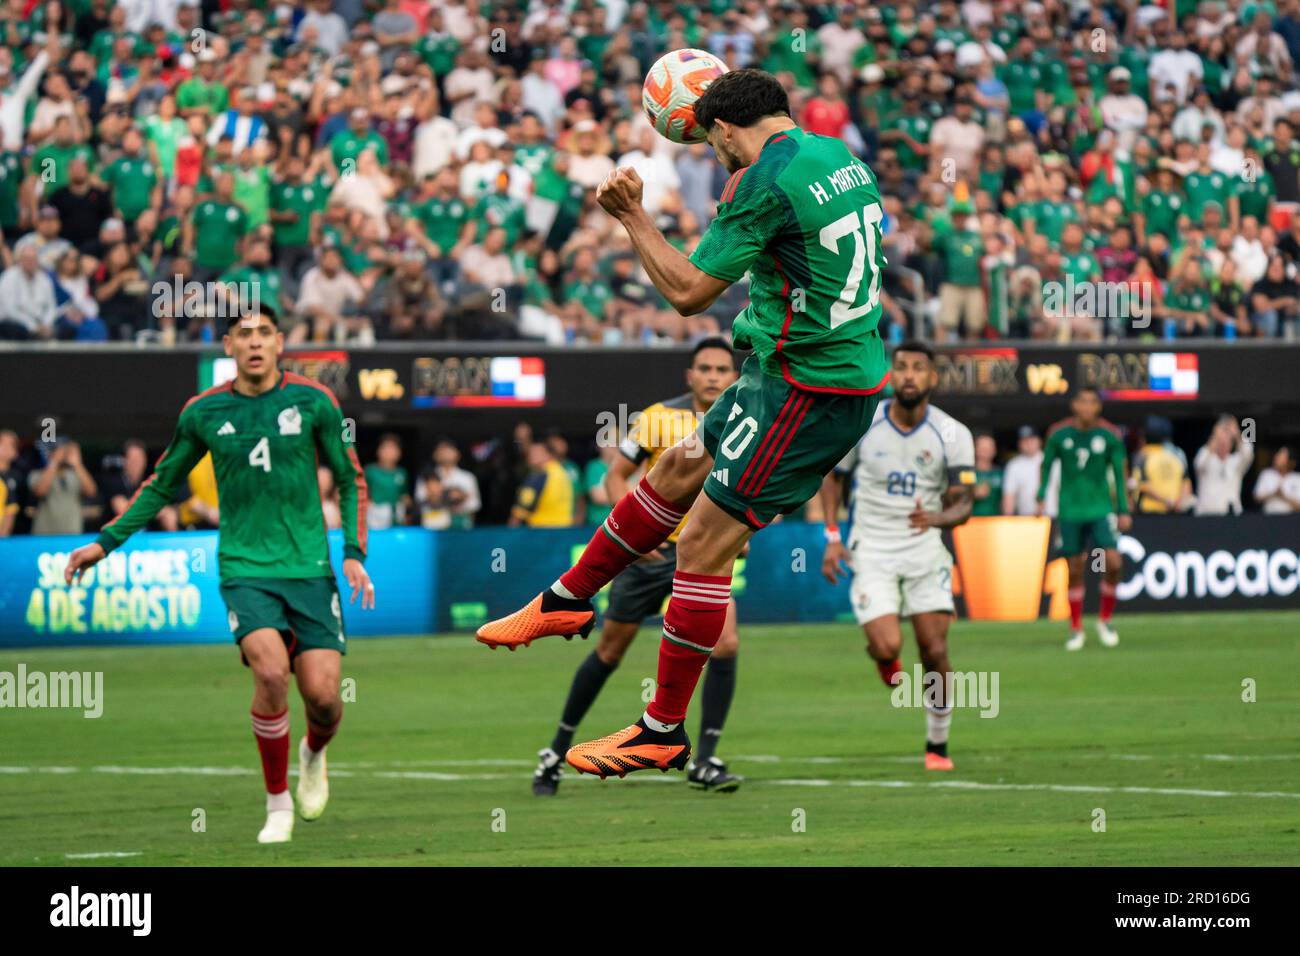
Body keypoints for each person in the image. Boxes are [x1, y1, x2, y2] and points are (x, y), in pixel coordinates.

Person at [477, 69, 889, 779]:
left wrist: (633, 216)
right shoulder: (840, 156)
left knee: (699, 544)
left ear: (727, 129)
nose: (710, 153)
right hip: (783, 370)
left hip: (806, 389)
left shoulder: (759, 180)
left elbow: (691, 294)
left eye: (708, 140)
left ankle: (662, 730)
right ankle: (568, 599)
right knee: (674, 466)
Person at [63, 308, 373, 846]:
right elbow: (161, 486)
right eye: (243, 335)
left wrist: (352, 551)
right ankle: (277, 802)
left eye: (264, 334)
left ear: (280, 343)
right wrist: (103, 542)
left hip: (309, 569)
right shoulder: (204, 412)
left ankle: (313, 753)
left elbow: (351, 479)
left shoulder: (314, 401)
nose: (254, 343)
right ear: (228, 345)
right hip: (243, 569)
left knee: (323, 698)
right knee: (273, 674)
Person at [532, 339, 744, 796]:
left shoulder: (746, 419)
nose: (712, 376)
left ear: (733, 376)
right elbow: (614, 475)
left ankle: (704, 759)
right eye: (704, 368)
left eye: (722, 369)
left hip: (705, 554)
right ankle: (555, 751)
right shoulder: (657, 417)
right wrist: (632, 540)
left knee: (725, 644)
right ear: (689, 375)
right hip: (652, 553)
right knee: (610, 652)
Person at [820, 341, 976, 771]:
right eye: (901, 367)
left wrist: (940, 517)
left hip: (924, 547)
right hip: (871, 546)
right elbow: (832, 479)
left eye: (918, 368)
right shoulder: (864, 423)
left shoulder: (952, 434)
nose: (908, 375)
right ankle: (885, 656)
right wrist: (832, 537)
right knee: (888, 641)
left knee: (934, 647)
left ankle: (938, 743)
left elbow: (965, 503)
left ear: (932, 378)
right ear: (892, 375)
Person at [1036, 388, 1130, 652]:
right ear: (1074, 405)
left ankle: (1105, 620)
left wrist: (1123, 509)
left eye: (1093, 402)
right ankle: (1076, 627)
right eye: (1083, 401)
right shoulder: (1059, 434)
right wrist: (1041, 495)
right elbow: (1046, 465)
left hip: (1101, 509)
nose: (1087, 407)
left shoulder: (1109, 435)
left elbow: (1120, 474)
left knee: (1112, 562)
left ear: (1098, 407)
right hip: (1070, 511)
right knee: (1075, 568)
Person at [1193, 415, 1253, 515]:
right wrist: (1214, 436)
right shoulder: (1207, 458)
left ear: (1231, 443)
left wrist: (1236, 433)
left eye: (1227, 439)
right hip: (1205, 515)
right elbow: (1198, 464)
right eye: (1220, 440)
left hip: (1231, 515)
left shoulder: (1236, 461)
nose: (1223, 442)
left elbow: (1248, 453)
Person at [1131, 416, 1192, 514]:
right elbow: (1186, 483)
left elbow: (1140, 484)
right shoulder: (1176, 454)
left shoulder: (1141, 456)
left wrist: (1165, 501)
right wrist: (1178, 502)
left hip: (1150, 512)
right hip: (1175, 511)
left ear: (1144, 436)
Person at [1253, 447, 1300, 513]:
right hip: (1269, 517)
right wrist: (1273, 493)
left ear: (1290, 462)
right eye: (1277, 455)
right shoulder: (1266, 474)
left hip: (1292, 518)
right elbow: (1256, 498)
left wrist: (1283, 496)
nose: (1276, 458)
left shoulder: (1297, 478)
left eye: (1281, 457)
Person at [970, 432, 1002, 516]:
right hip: (971, 521)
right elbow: (953, 497)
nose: (985, 451)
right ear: (975, 449)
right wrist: (973, 493)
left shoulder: (1001, 473)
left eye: (989, 448)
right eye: (982, 448)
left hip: (996, 521)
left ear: (994, 450)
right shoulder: (967, 473)